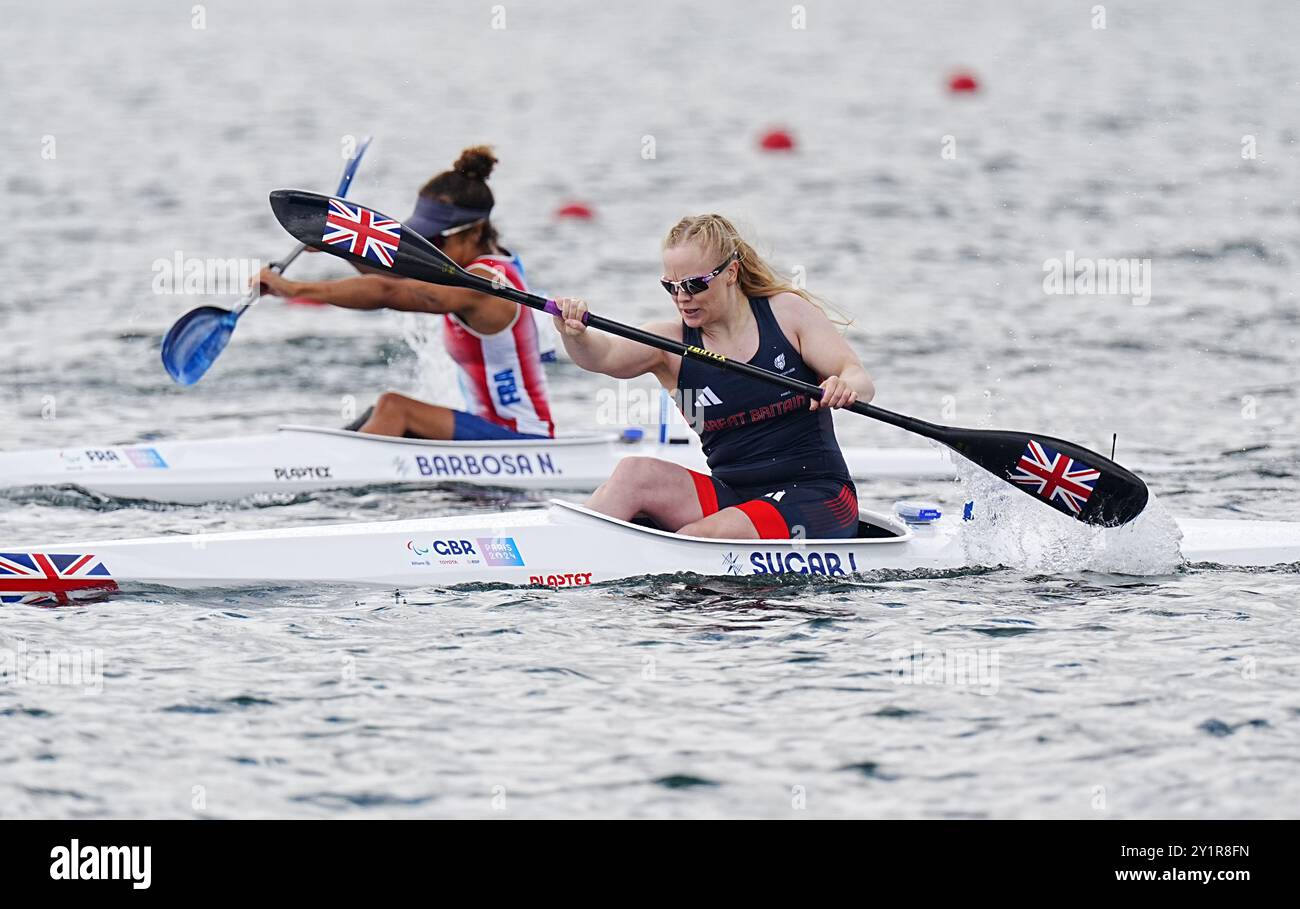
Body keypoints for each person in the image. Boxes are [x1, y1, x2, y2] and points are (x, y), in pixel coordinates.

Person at [553, 214, 874, 540]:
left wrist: (844, 386)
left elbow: (859, 378)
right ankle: (564, 554)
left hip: (818, 497)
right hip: (734, 495)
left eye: (694, 285)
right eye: (671, 286)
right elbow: (603, 356)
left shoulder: (787, 314)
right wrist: (575, 334)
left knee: (700, 534)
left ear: (731, 273)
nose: (682, 298)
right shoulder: (670, 345)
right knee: (633, 474)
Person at [255, 146, 554, 440]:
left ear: (475, 232)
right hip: (490, 429)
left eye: (436, 240)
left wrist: (293, 289)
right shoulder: (494, 262)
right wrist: (335, 243)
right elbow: (397, 273)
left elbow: (388, 290)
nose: (430, 250)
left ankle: (324, 471)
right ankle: (314, 457)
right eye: (424, 239)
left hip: (523, 439)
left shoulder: (484, 286)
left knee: (394, 408)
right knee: (378, 413)